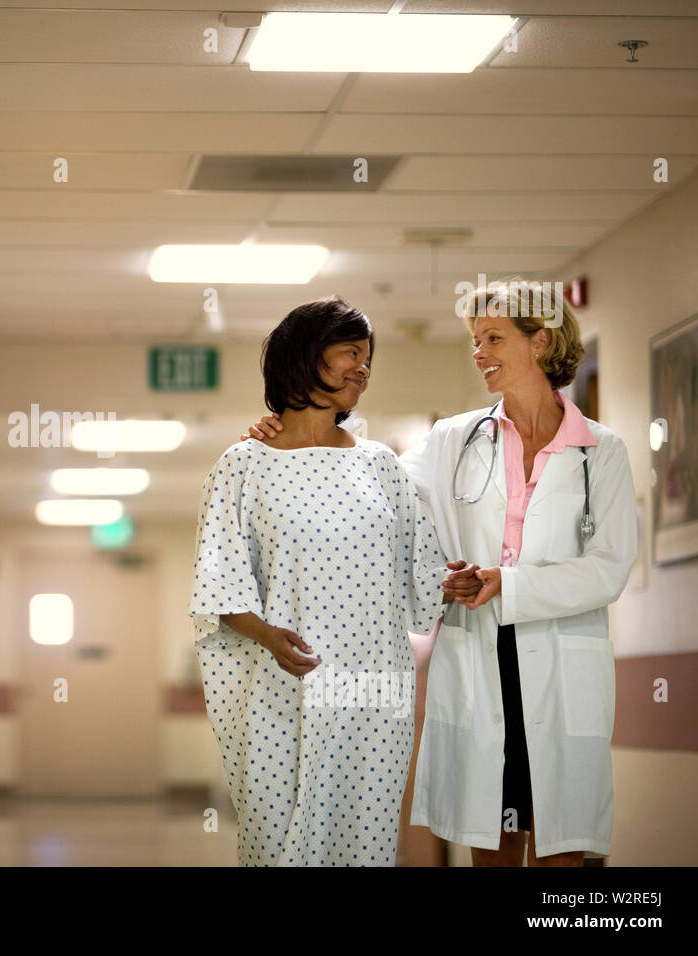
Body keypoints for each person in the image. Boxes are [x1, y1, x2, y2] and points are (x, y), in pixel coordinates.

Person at [243, 279, 639, 865]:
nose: (478, 352)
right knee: (493, 842)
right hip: (478, 659)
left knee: (564, 848)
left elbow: (608, 569)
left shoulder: (600, 451)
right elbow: (373, 491)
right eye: (475, 340)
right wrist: (294, 439)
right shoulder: (455, 439)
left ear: (541, 341)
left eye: (494, 338)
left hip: (561, 665)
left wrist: (510, 584)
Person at [190, 295, 471, 866]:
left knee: (362, 844)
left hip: (373, 689)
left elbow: (420, 571)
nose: (362, 368)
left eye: (367, 357)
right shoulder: (243, 465)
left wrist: (454, 581)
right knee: (276, 844)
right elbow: (218, 586)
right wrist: (267, 635)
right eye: (349, 352)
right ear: (304, 356)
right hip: (279, 687)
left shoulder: (381, 465)